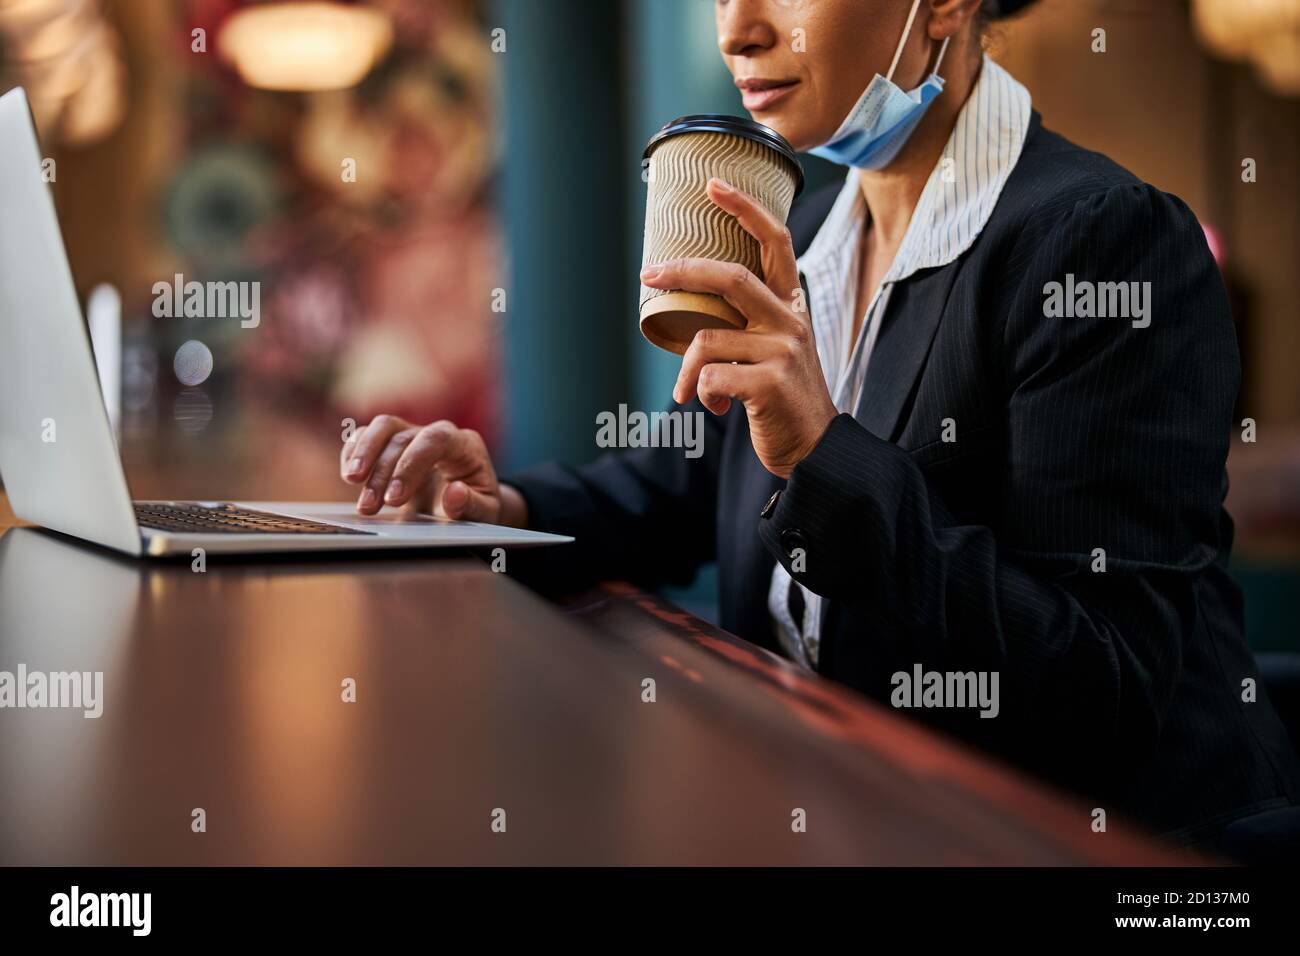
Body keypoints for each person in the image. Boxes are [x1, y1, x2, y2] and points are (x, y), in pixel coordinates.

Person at [339, 0, 1300, 855]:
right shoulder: (804, 230)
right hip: (848, 801)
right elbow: (688, 481)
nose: (736, 29)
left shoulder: (1105, 241)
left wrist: (819, 454)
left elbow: (1102, 683)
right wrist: (495, 500)